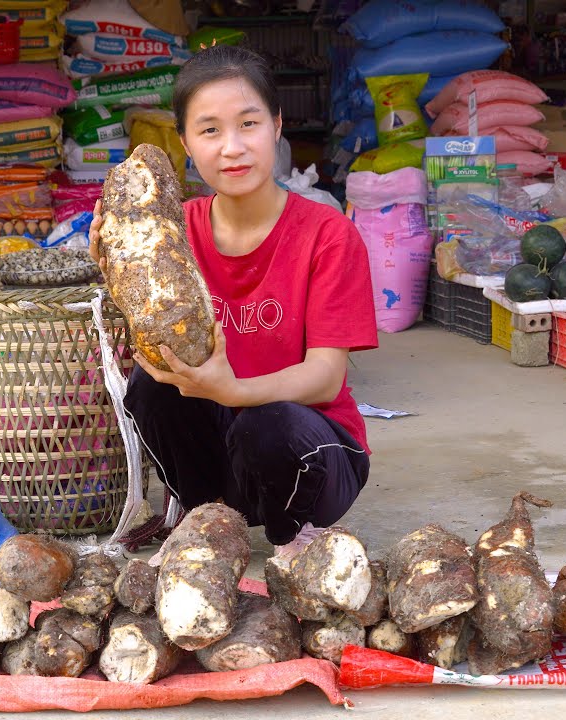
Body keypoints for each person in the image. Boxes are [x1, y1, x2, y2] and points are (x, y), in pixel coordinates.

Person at [88, 45, 378, 561]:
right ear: (184, 143)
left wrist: (233, 389)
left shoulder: (328, 235)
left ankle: (293, 539)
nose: (232, 148)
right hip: (224, 455)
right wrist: (116, 264)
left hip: (310, 451)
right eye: (209, 130)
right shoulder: (171, 232)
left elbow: (326, 377)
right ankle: (205, 514)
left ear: (277, 125)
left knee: (265, 421)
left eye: (248, 124)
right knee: (150, 385)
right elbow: (152, 344)